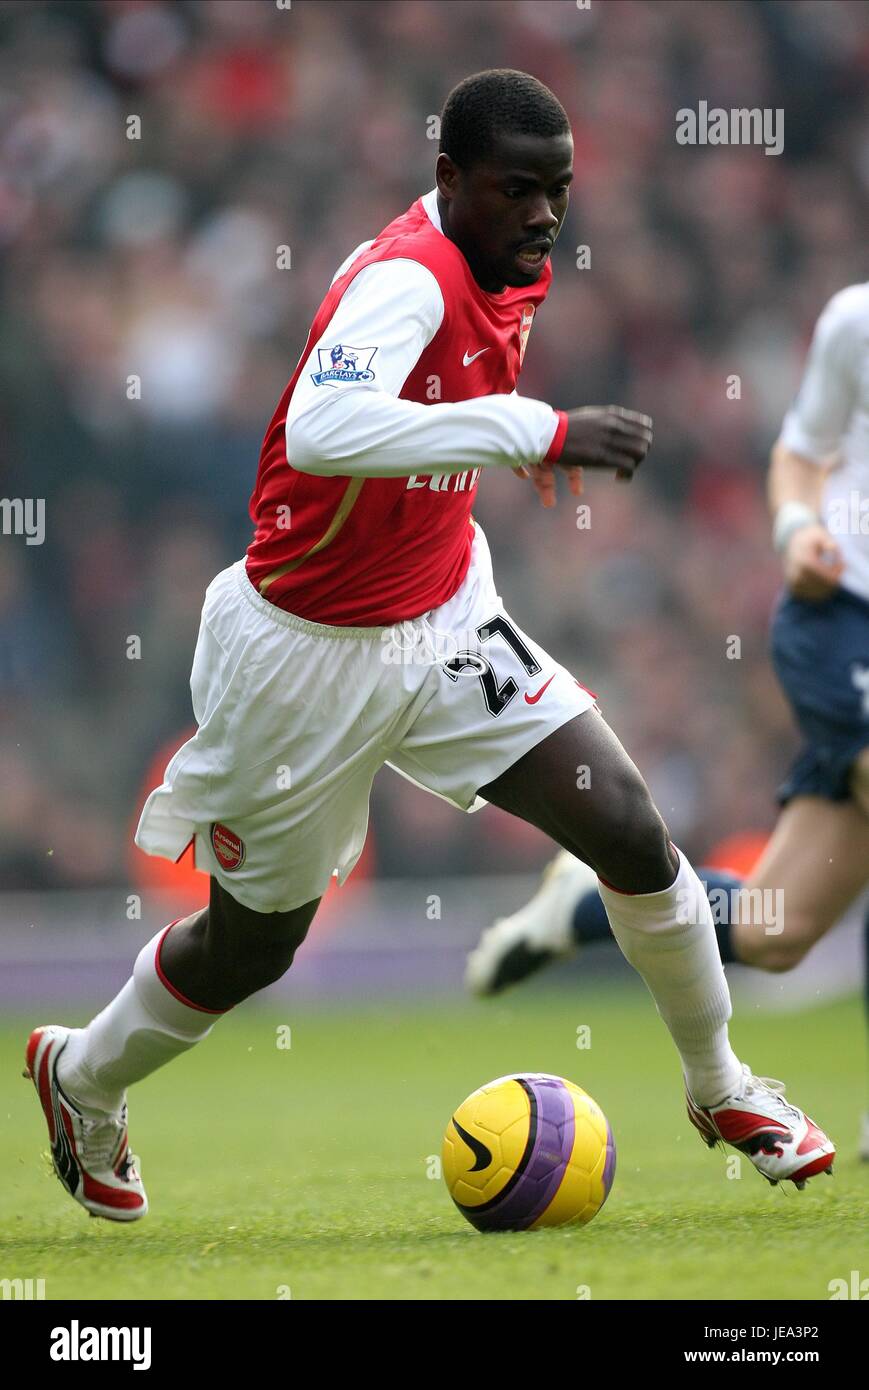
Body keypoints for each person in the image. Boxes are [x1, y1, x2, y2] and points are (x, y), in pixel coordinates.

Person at [25, 70, 833, 1222]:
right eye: (517, 191)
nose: (545, 215)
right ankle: (81, 1075)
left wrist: (499, 447)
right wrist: (530, 429)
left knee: (628, 827)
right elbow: (321, 422)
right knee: (254, 950)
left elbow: (429, 413)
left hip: (445, 614)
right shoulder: (405, 279)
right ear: (448, 180)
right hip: (301, 656)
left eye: (558, 190)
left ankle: (720, 1084)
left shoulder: (512, 257)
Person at [467, 280, 869, 1157]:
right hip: (844, 618)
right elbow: (800, 454)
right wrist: (797, 525)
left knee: (776, 929)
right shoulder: (853, 320)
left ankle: (585, 904)